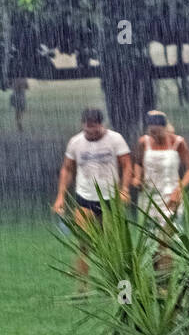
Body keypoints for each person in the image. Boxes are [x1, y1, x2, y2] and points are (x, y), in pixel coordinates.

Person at [53, 108, 132, 283]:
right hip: (85, 198)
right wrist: (60, 197)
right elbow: (67, 169)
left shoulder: (115, 139)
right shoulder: (76, 142)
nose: (91, 133)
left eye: (95, 129)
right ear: (83, 125)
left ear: (101, 125)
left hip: (110, 198)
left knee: (114, 245)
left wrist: (125, 189)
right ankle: (82, 288)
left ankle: (117, 285)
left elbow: (126, 165)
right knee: (83, 244)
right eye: (88, 129)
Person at [132, 110, 189, 268]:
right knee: (152, 243)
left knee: (165, 240)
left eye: (156, 131)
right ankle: (161, 283)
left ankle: (167, 282)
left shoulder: (178, 142)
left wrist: (179, 190)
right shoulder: (144, 142)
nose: (153, 135)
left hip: (171, 198)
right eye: (150, 131)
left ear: (164, 128)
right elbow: (138, 163)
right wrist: (136, 177)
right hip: (148, 199)